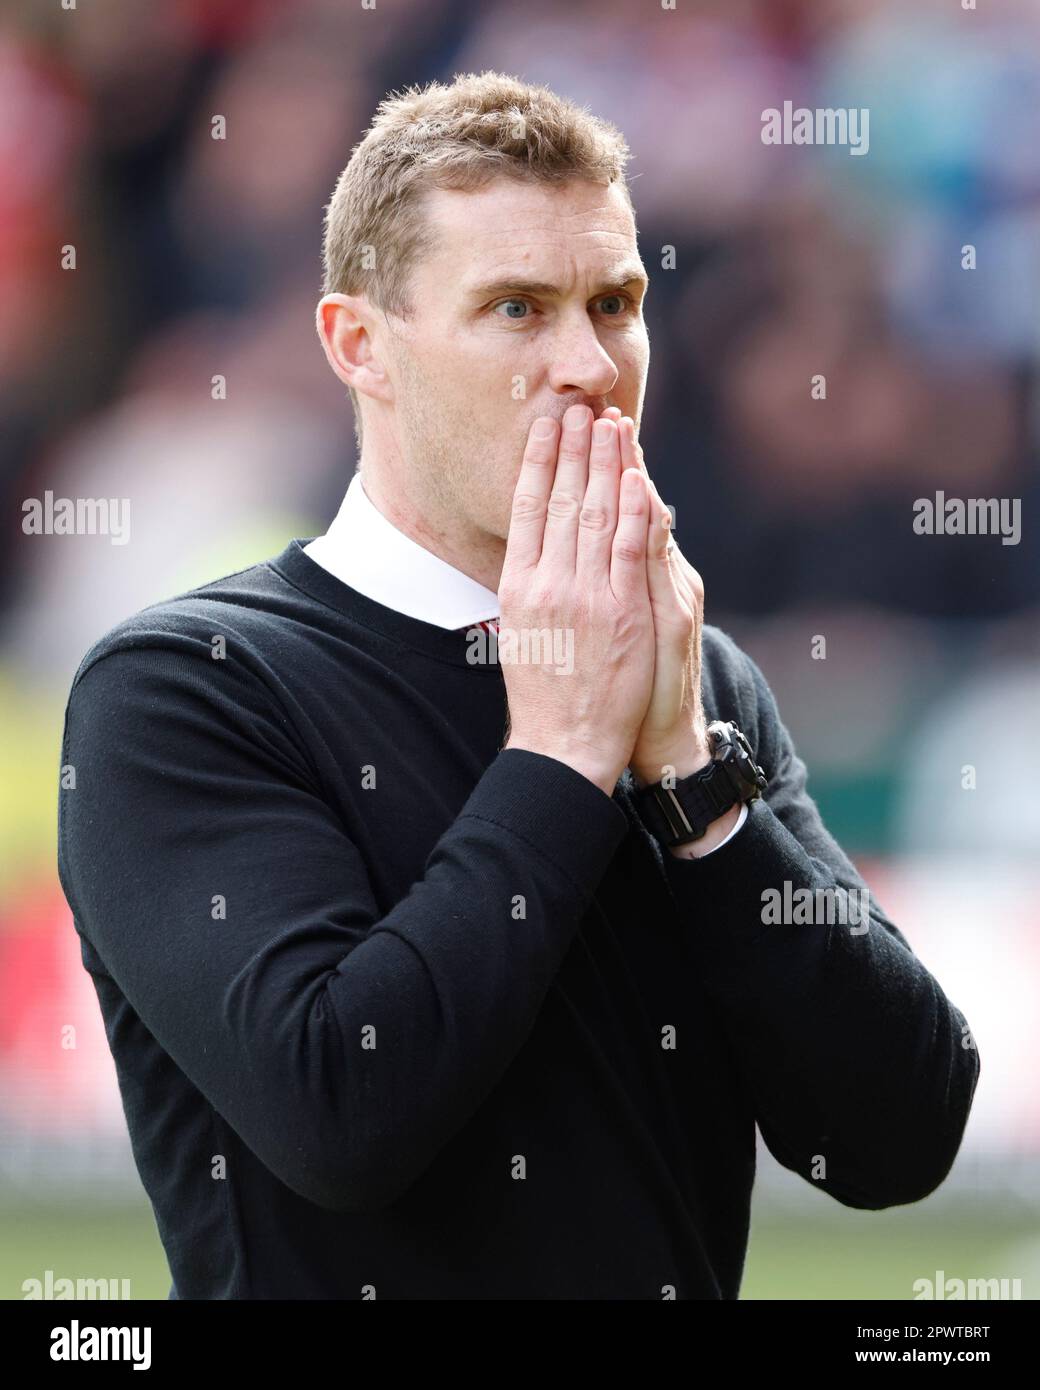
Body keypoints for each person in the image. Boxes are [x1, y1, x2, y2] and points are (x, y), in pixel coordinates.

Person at [57, 71, 979, 1300]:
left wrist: (695, 789)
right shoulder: (186, 689)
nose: (589, 364)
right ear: (359, 345)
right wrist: (555, 755)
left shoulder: (693, 680)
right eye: (516, 309)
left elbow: (896, 1139)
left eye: (614, 303)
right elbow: (341, 1110)